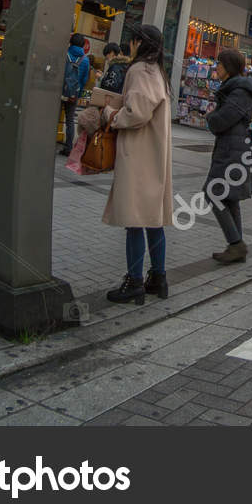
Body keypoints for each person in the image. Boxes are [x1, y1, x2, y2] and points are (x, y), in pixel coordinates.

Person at [100, 25, 173, 303]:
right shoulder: (158, 72)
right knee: (153, 220)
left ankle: (134, 282)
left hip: (139, 154)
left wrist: (110, 114)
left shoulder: (140, 70)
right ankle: (158, 277)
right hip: (154, 155)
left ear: (139, 43)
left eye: (132, 42)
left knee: (134, 219)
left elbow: (137, 112)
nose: (129, 46)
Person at [202, 48, 252, 266]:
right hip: (233, 149)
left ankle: (236, 243)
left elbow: (222, 120)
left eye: (219, 64)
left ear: (228, 67)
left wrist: (210, 117)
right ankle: (236, 247)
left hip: (232, 151)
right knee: (229, 198)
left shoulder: (239, 92)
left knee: (213, 193)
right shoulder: (235, 88)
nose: (216, 67)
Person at [60, 32, 91, 156]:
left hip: (59, 91)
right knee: (70, 120)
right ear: (83, 45)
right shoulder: (85, 60)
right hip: (73, 95)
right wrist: (77, 92)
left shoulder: (64, 53)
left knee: (52, 118)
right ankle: (68, 148)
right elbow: (84, 80)